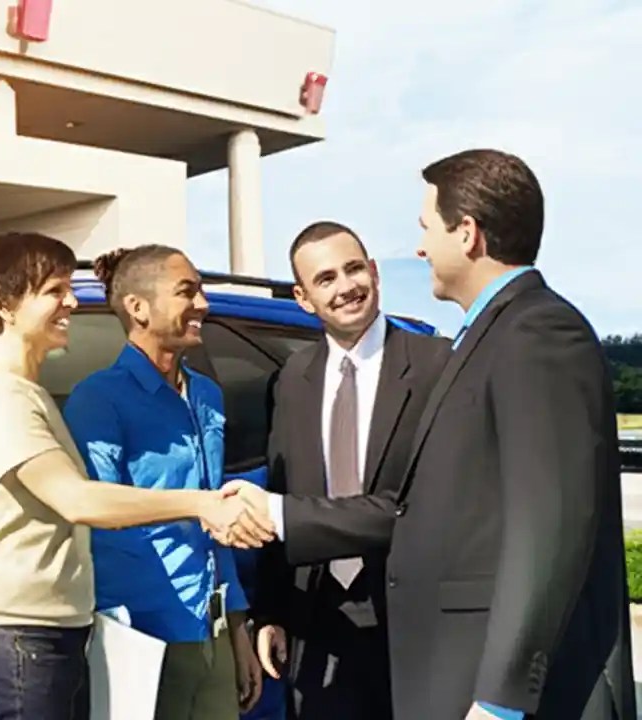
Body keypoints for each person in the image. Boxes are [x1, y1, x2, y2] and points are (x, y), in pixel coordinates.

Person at [228, 149, 635, 719]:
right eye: (325, 278)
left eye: (426, 228)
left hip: (472, 674)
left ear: (466, 233)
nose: (419, 248)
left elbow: (550, 526)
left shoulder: (534, 332)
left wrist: (501, 698)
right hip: (370, 650)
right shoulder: (301, 378)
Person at [0, 231, 273, 720]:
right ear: (6, 306)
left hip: (57, 637)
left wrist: (237, 622)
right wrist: (202, 504)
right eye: (54, 291)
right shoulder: (1, 396)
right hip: (29, 642)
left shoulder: (27, 393)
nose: (72, 303)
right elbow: (81, 502)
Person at [244, 222, 450, 720]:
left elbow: (444, 504)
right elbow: (284, 492)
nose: (345, 287)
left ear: (375, 272)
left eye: (354, 269)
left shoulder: (439, 365)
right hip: (318, 625)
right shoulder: (291, 380)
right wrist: (271, 613)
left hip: (415, 622)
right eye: (326, 278)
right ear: (303, 298)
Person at [62, 245, 270, 720]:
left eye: (200, 291)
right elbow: (99, 516)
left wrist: (238, 626)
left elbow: (217, 518)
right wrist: (197, 504)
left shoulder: (207, 394)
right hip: (142, 637)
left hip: (211, 629)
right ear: (138, 307)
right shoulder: (98, 399)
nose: (202, 304)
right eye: (186, 292)